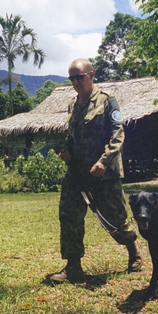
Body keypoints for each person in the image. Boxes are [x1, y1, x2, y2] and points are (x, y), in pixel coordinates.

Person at [51, 58, 142, 283]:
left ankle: (133, 249)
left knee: (115, 220)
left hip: (103, 173)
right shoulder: (73, 105)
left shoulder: (107, 101)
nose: (75, 82)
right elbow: (72, 136)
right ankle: (73, 267)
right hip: (77, 173)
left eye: (79, 77)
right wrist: (67, 152)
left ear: (91, 76)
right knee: (69, 215)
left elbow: (118, 133)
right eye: (71, 78)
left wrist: (104, 160)